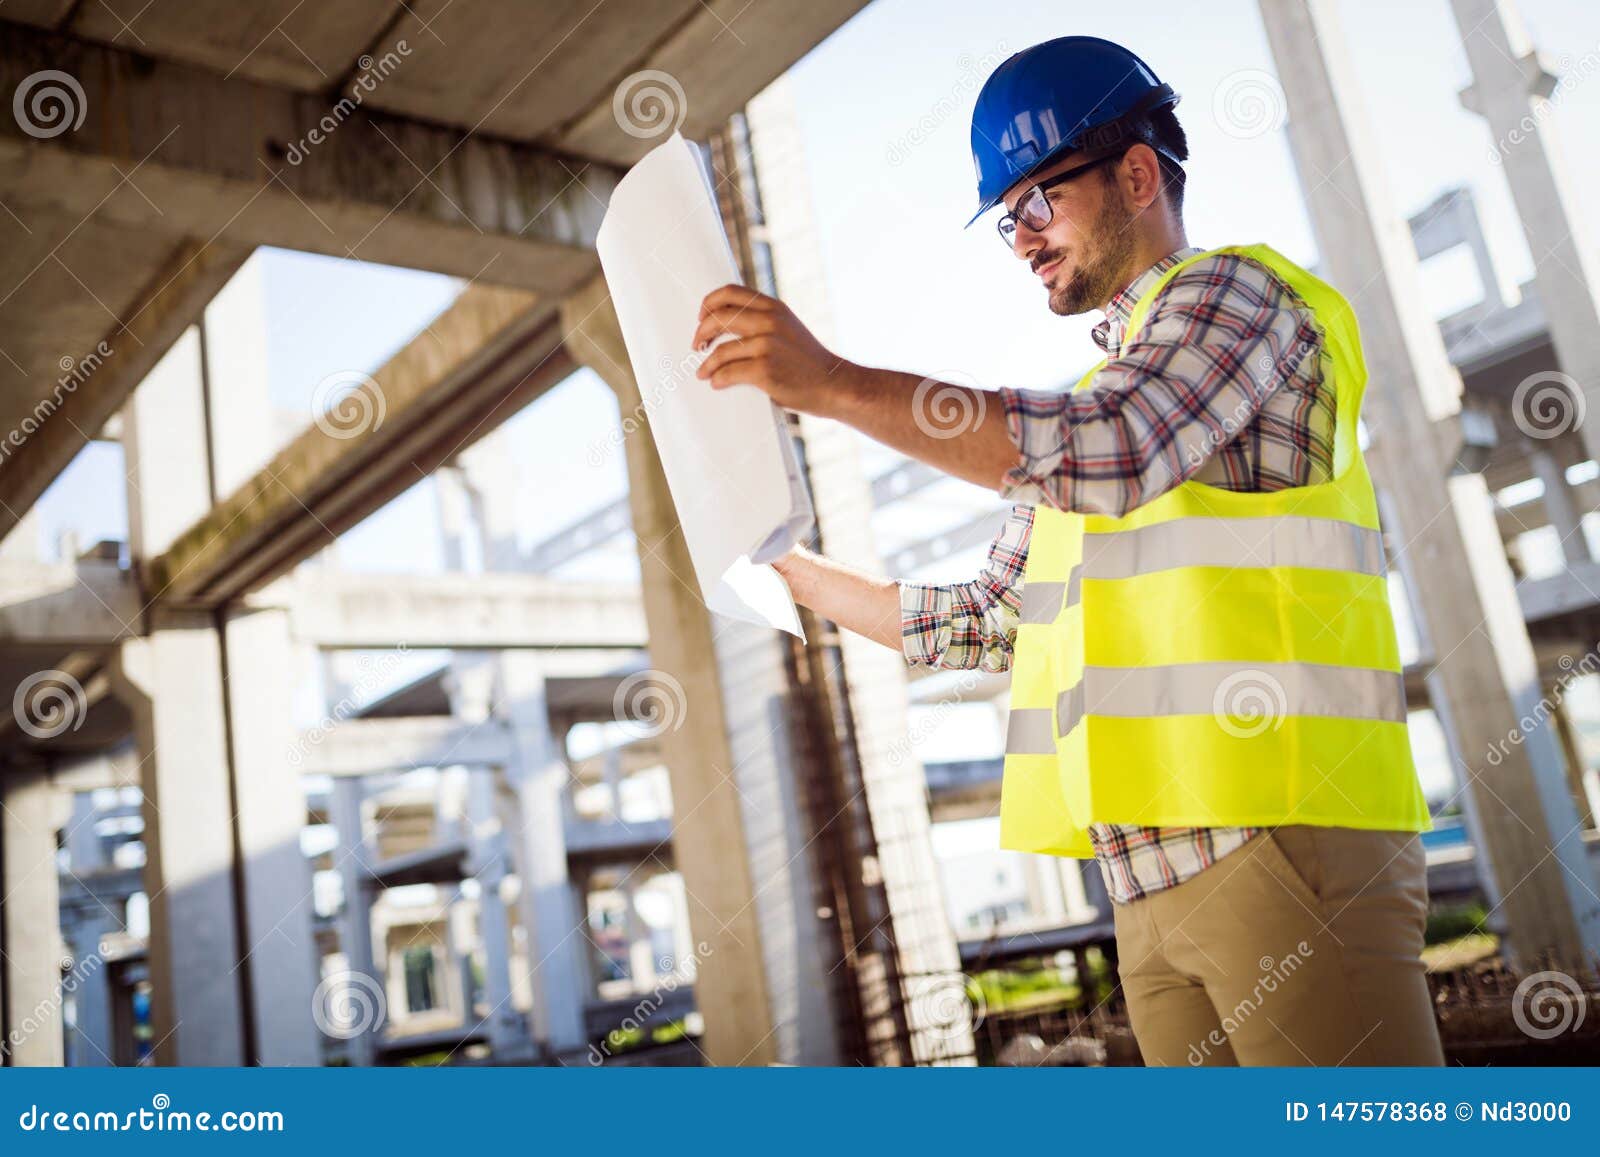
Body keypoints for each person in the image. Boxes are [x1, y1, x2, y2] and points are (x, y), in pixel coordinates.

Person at [690, 35, 1442, 1066]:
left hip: (1283, 843)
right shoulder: (1089, 420)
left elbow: (1119, 448)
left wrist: (828, 381)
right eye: (1008, 221)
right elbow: (983, 621)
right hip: (1148, 884)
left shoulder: (1237, 300)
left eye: (1039, 201)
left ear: (1137, 174)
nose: (1023, 240)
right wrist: (773, 561)